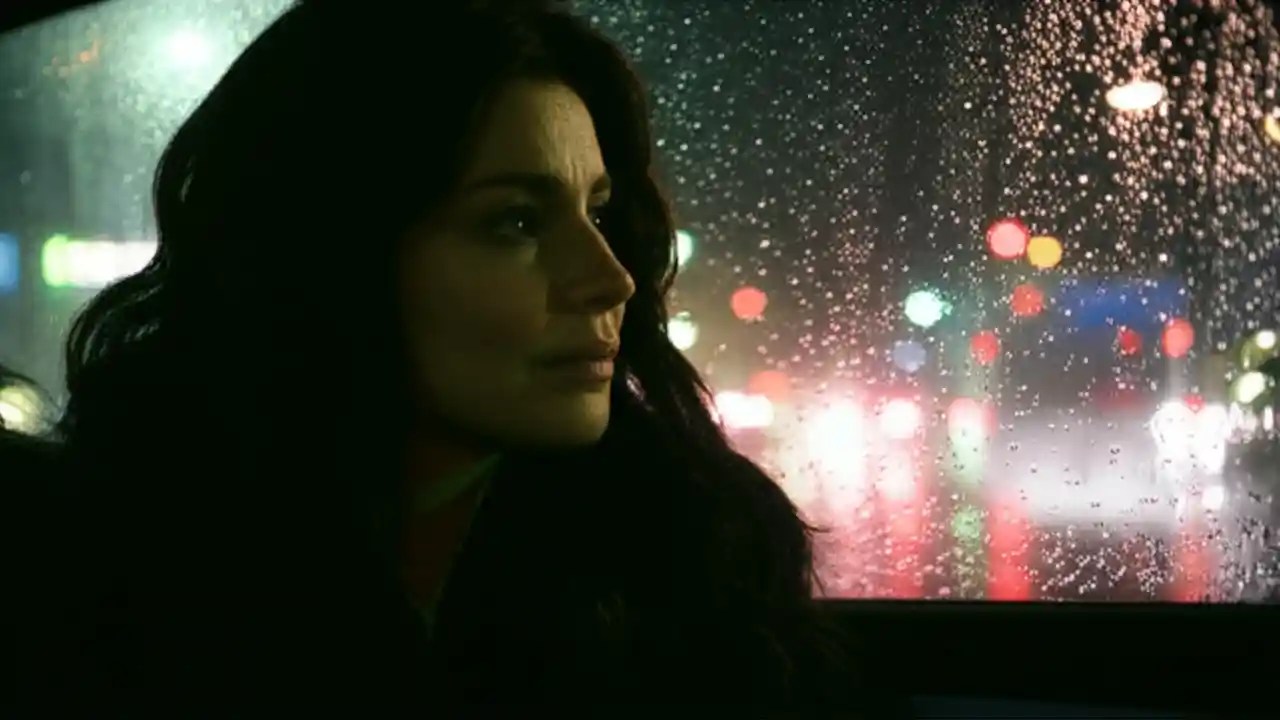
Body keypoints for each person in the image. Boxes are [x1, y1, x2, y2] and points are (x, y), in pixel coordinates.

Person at [43, 0, 877, 713]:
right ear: (330, 254)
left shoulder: (694, 579)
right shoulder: (90, 566)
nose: (610, 278)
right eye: (514, 222)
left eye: (598, 211)